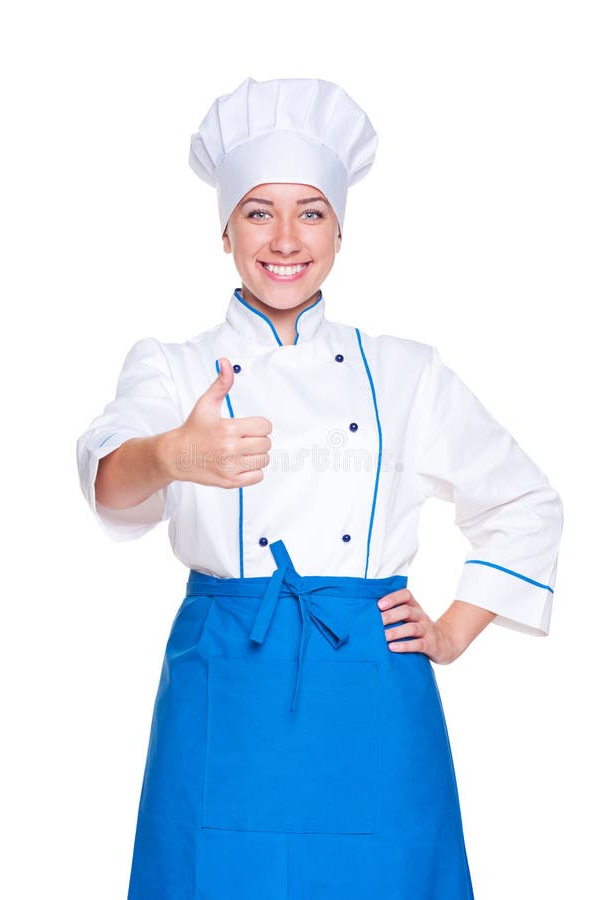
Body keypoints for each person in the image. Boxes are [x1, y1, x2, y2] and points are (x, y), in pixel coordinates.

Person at [76, 77, 564, 900]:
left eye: (309, 212)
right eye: (259, 212)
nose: (284, 239)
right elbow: (109, 481)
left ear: (340, 228)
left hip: (370, 683)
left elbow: (525, 504)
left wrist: (450, 630)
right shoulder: (173, 365)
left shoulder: (406, 371)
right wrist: (171, 454)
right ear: (225, 228)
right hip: (226, 675)